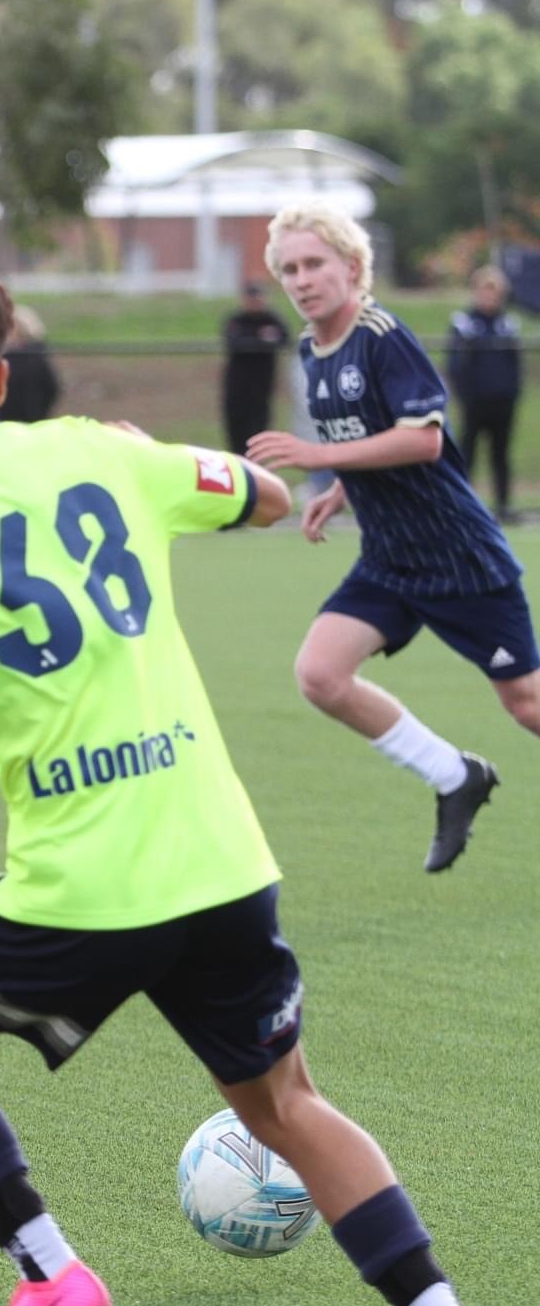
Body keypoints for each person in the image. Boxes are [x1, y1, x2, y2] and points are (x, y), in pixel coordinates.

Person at [0, 257, 481, 1306]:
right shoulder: (98, 451)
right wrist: (154, 461)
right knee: (286, 1107)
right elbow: (267, 499)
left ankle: (53, 1281)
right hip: (220, 861)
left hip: (73, 893)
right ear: (0, 377)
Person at [246, 203, 538, 872]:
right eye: (288, 268)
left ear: (352, 267)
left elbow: (423, 438)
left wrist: (320, 460)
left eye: (315, 263)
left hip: (458, 556)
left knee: (526, 703)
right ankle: (455, 774)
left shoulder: (382, 336)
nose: (301, 279)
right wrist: (341, 492)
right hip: (390, 558)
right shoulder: (309, 350)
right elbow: (366, 435)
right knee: (320, 674)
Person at [446, 265, 522, 521]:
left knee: (500, 454)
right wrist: (463, 394)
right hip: (474, 401)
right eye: (485, 291)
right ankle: (463, 506)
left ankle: (503, 505)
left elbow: (515, 366)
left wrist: (512, 393)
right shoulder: (464, 323)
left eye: (495, 292)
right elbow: (454, 364)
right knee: (467, 453)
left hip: (503, 401)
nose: (490, 298)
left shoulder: (507, 324)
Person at [222, 279, 291, 455]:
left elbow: (285, 339)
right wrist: (261, 339)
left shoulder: (272, 318)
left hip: (262, 386)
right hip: (237, 385)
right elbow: (234, 342)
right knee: (236, 426)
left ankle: (257, 463)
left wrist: (259, 341)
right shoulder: (236, 319)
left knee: (260, 426)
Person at [0, 305, 60, 422]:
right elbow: (52, 389)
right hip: (34, 421)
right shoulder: (39, 356)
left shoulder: (14, 359)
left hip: (13, 423)